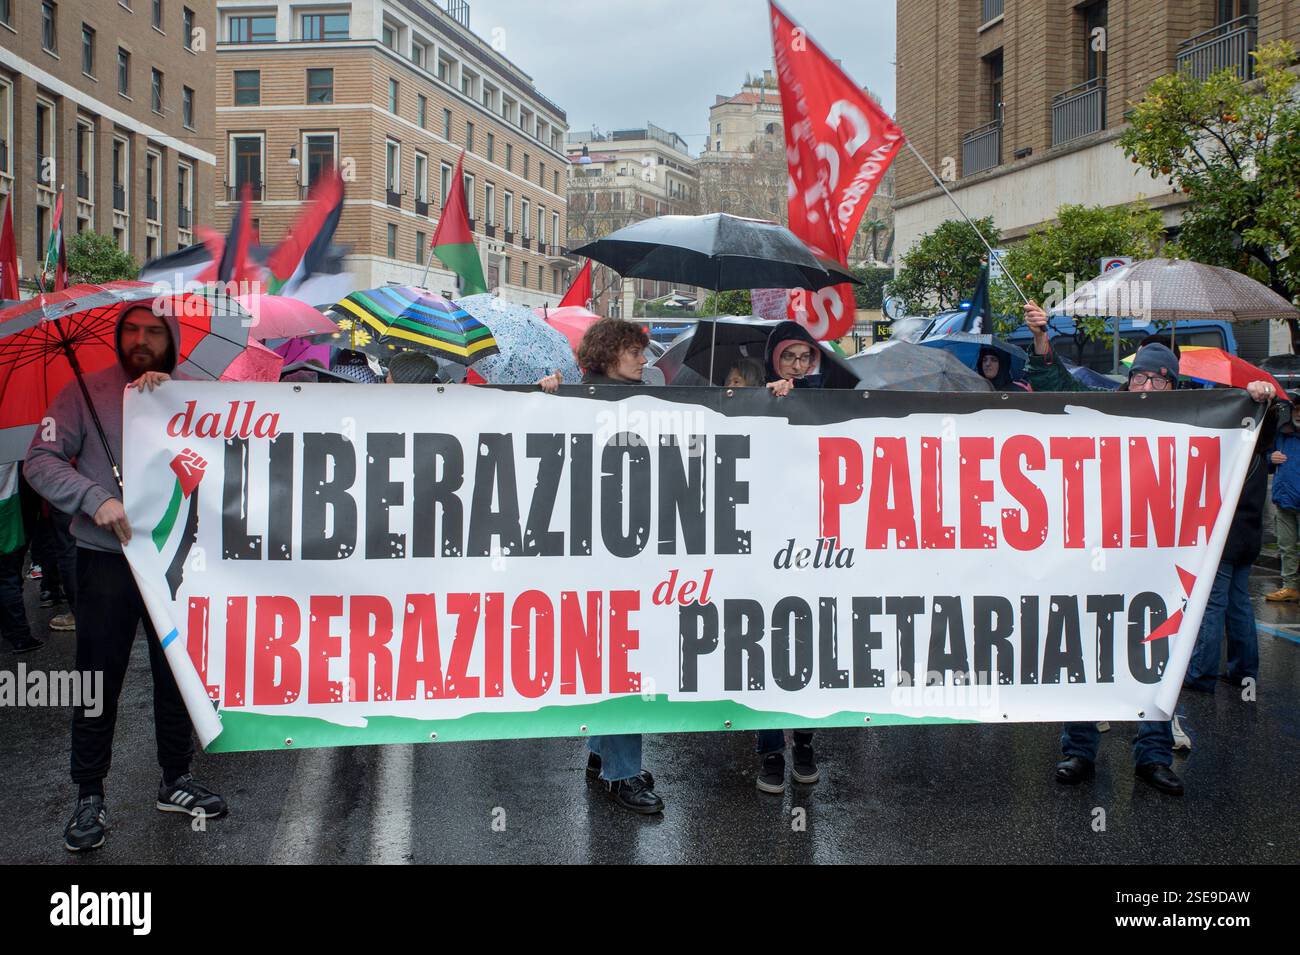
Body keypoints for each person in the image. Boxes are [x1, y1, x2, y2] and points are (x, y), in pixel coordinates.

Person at [1023, 300, 1275, 796]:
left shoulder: (1193, 424)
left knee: (1159, 660)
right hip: (1099, 563)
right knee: (1085, 655)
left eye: (1157, 380)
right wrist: (1039, 340)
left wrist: (1258, 399)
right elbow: (1056, 386)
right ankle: (1078, 752)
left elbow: (1249, 438)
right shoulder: (1106, 412)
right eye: (1139, 379)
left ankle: (1153, 756)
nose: (1145, 387)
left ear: (1171, 385)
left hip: (1158, 568)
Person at [24, 303, 228, 852]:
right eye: (131, 331)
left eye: (153, 331)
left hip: (174, 564)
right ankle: (89, 794)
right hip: (105, 562)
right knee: (98, 677)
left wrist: (165, 402)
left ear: (172, 338)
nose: (140, 340)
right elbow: (39, 462)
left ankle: (175, 778)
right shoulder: (81, 393)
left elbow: (225, 460)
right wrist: (94, 499)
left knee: (176, 671)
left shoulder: (188, 396)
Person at [564, 318, 663, 813]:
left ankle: (604, 755)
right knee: (623, 663)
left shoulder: (647, 400)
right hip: (600, 556)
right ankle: (622, 775)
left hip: (627, 553)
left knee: (616, 660)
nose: (643, 360)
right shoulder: (575, 398)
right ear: (607, 354)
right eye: (633, 351)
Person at [0, 462, 42, 654]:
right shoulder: (8, 440)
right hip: (5, 508)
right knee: (7, 575)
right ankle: (19, 635)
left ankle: (14, 631)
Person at [1265, 395, 1300, 602]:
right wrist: (1271, 458)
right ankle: (1290, 587)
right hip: (1284, 501)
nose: (1299, 414)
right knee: (1286, 547)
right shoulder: (1282, 435)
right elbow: (1266, 462)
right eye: (1296, 410)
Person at [764, 320, 825, 396]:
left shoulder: (821, 393)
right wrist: (765, 394)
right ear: (772, 358)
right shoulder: (754, 387)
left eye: (805, 357)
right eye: (788, 356)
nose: (797, 367)